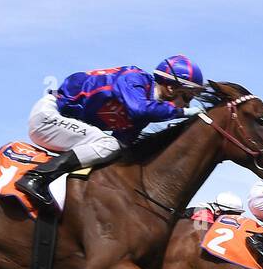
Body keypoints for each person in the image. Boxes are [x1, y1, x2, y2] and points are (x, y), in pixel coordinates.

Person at [15, 56, 206, 212]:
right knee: (108, 145)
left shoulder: (144, 112)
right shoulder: (135, 78)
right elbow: (139, 109)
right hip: (49, 117)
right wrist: (181, 113)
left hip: (68, 127)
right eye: (187, 97)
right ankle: (36, 178)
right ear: (171, 87)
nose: (187, 105)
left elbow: (123, 146)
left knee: (114, 151)